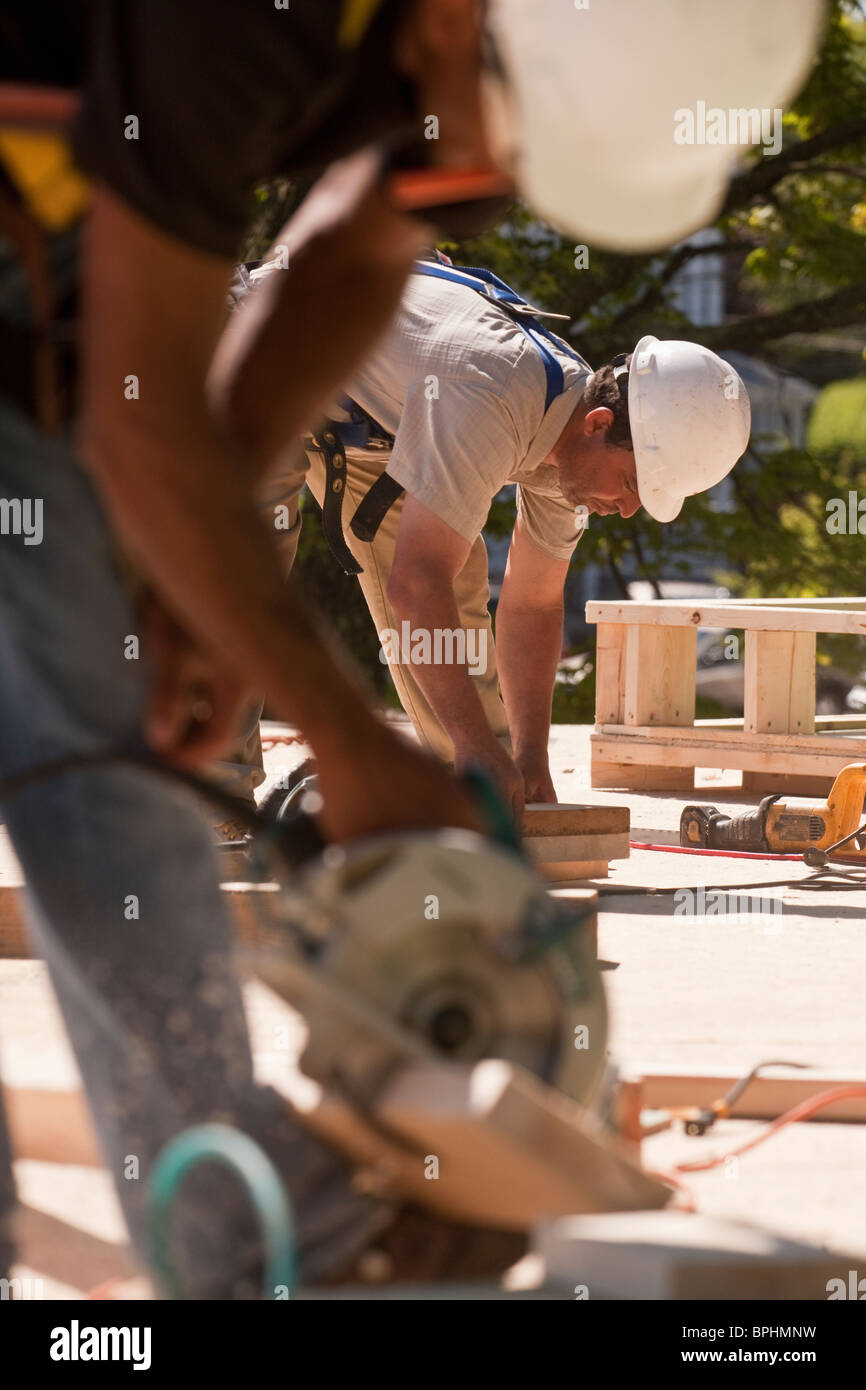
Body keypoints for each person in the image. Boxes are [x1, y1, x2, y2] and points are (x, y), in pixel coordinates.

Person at [0, 0, 822, 1295]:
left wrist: (508, 768)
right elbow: (158, 420)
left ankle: (242, 1216)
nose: (497, 180)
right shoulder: (233, 36)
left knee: (120, 687)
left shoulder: (474, 82)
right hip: (72, 232)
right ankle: (255, 1232)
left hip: (88, 244)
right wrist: (353, 740)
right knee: (92, 703)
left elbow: (355, 259)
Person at [223, 256, 748, 820]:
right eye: (631, 484)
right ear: (598, 424)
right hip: (259, 346)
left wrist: (528, 756)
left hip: (374, 410)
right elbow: (415, 583)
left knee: (455, 593)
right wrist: (476, 744)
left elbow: (534, 604)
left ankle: (483, 802)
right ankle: (210, 795)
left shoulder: (572, 440)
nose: (627, 509)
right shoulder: (494, 391)